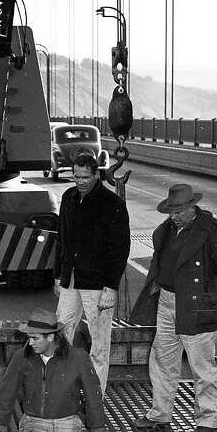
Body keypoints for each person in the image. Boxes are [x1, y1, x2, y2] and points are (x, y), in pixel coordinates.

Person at [130, 183, 217, 432]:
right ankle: (160, 414)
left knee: (201, 365)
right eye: (171, 211)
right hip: (167, 301)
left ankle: (208, 420)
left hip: (195, 306)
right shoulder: (168, 230)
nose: (174, 215)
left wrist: (209, 298)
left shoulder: (214, 231)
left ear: (193, 207)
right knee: (162, 361)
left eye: (179, 211)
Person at [0, 308, 110, 432]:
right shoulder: (22, 357)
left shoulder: (78, 357)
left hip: (68, 424)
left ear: (51, 337)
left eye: (35, 338)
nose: (30, 343)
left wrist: (98, 431)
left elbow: (93, 394)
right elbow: (6, 393)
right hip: (34, 424)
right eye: (29, 338)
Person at [53, 151, 131, 394]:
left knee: (99, 343)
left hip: (97, 284)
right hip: (70, 280)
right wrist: (58, 275)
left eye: (85, 177)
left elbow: (120, 248)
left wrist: (111, 287)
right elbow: (62, 240)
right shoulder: (68, 198)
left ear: (96, 174)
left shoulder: (112, 204)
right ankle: (62, 389)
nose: (80, 182)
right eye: (76, 176)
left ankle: (96, 397)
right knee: (61, 333)